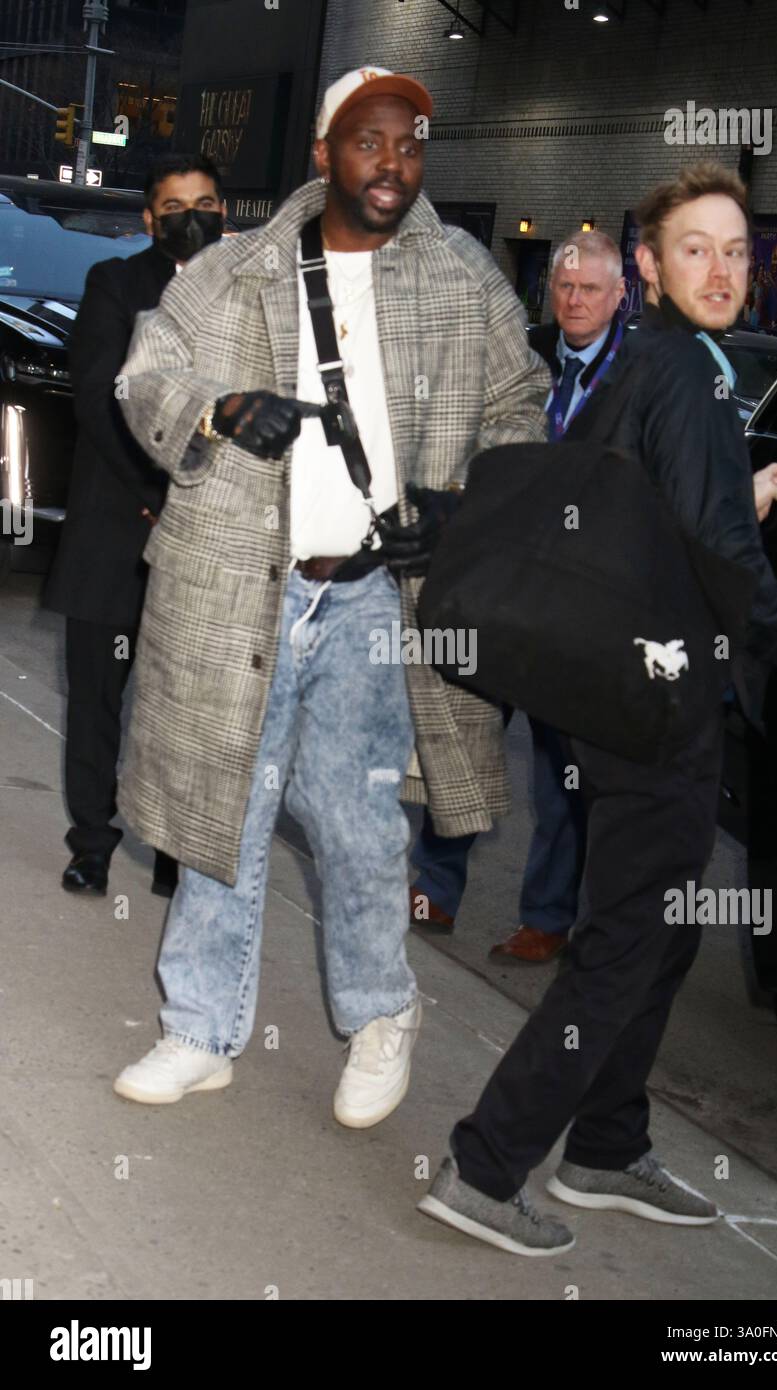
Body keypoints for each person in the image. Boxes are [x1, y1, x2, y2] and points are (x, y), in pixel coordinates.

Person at [418, 162, 777, 1255]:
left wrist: (728, 490)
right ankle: (484, 1163)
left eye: (737, 248)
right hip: (658, 705)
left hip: (623, 693)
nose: (720, 266)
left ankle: (607, 1145)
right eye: (693, 247)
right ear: (648, 266)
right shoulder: (691, 374)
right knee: (624, 947)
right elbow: (718, 550)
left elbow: (638, 510)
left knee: (653, 941)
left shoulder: (650, 363)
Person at [110, 67, 549, 1123]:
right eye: (369, 141)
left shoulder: (462, 279)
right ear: (323, 153)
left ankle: (382, 1009)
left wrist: (455, 509)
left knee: (359, 822)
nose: (393, 162)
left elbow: (522, 412)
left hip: (373, 605)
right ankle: (200, 1029)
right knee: (229, 801)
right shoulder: (237, 269)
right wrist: (216, 407)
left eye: (412, 144)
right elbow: (143, 374)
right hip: (244, 589)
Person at [410, 231, 627, 964]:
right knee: (460, 731)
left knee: (559, 770)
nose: (573, 300)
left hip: (574, 606)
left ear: (619, 294)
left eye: (589, 289)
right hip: (499, 587)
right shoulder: (522, 357)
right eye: (563, 287)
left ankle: (547, 918)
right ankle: (434, 888)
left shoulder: (635, 377)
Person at [44, 153, 228, 898]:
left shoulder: (248, 298)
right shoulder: (114, 287)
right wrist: (163, 488)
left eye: (206, 203)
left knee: (186, 705)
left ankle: (175, 852)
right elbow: (100, 400)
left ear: (226, 210)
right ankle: (91, 840)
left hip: (206, 541)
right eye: (176, 205)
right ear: (149, 219)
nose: (193, 217)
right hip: (117, 532)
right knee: (97, 699)